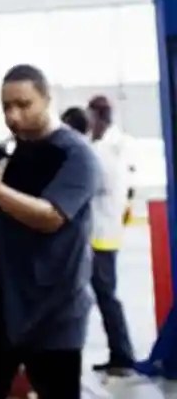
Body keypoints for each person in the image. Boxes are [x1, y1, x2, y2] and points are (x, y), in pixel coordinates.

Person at [0, 65, 99, 399]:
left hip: (55, 311)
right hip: (2, 308)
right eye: (6, 107)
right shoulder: (7, 152)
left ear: (47, 100)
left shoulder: (76, 155)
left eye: (24, 104)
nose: (13, 115)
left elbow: (51, 216)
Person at [85, 95, 136, 374]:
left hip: (101, 233)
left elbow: (94, 183)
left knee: (106, 296)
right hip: (106, 229)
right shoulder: (111, 146)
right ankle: (119, 352)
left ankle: (122, 353)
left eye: (90, 117)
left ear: (98, 117)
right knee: (105, 296)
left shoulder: (105, 150)